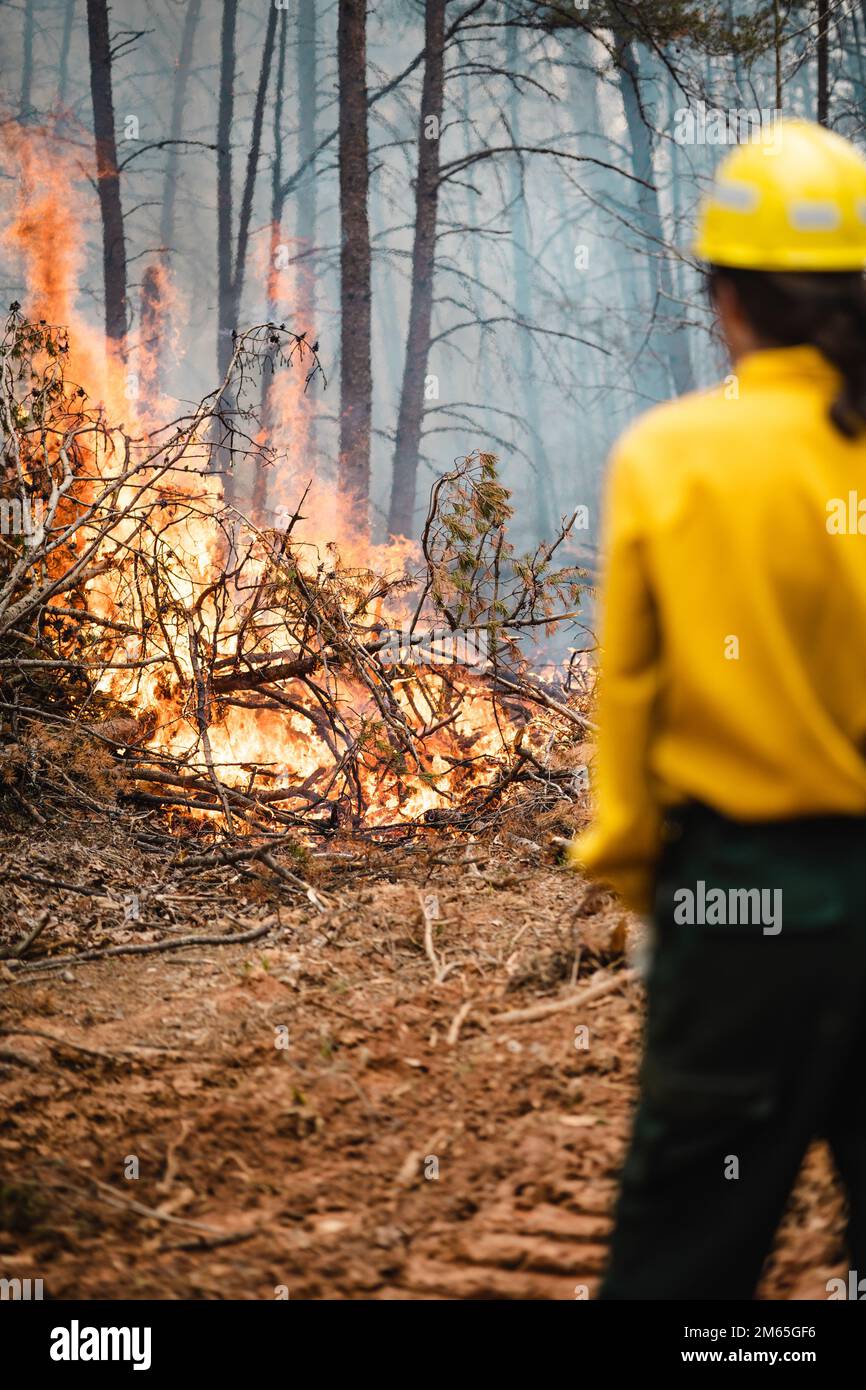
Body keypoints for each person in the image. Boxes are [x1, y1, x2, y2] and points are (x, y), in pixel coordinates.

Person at [568, 118, 866, 1300]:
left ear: (724, 299)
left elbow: (629, 707)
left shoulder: (674, 458)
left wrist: (644, 881)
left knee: (686, 1248)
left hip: (745, 911)